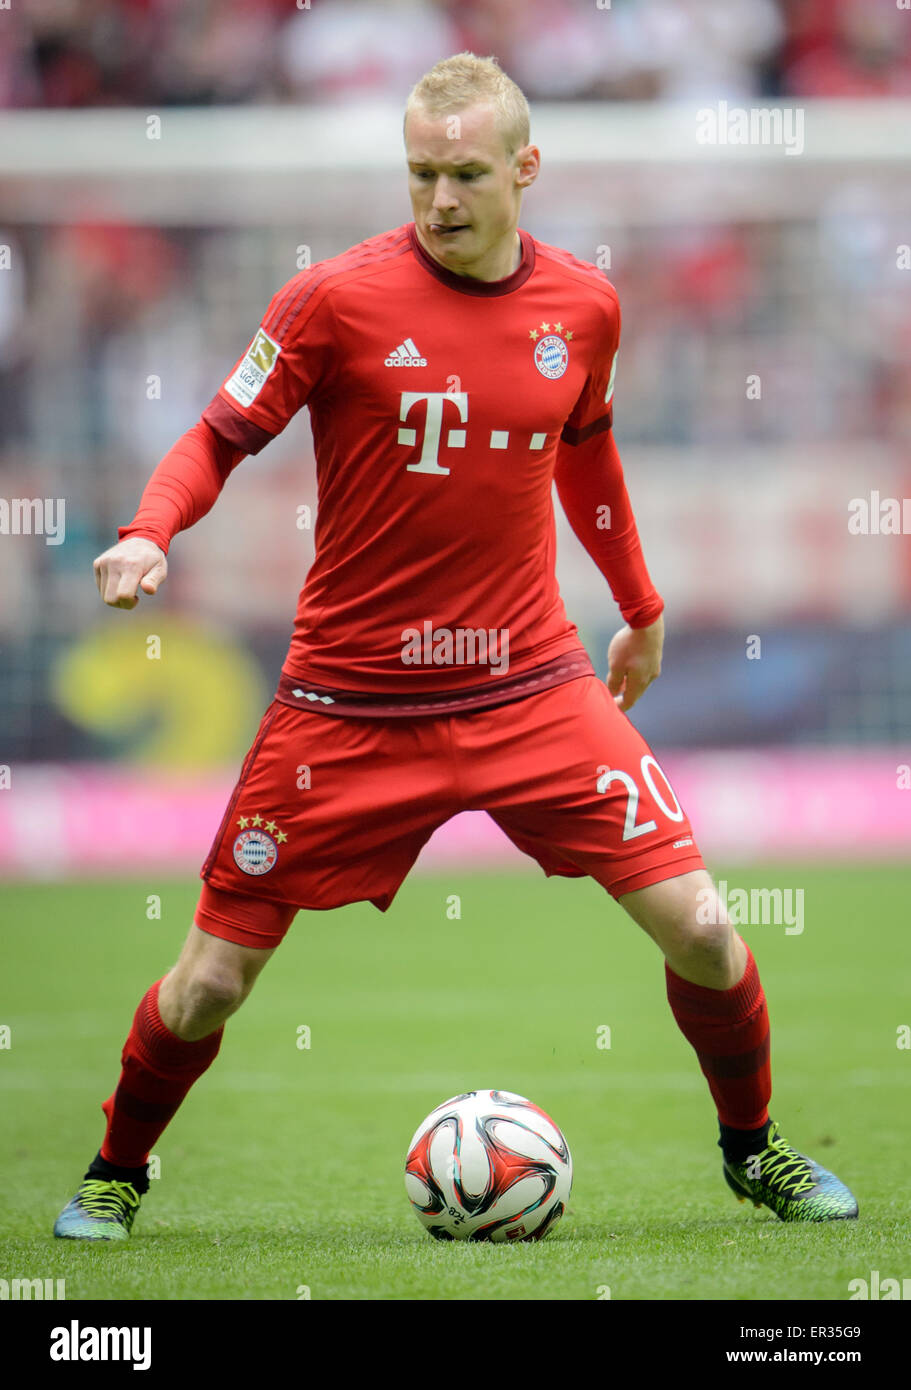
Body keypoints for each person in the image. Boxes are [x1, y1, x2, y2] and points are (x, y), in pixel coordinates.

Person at [56, 53, 857, 1242]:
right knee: (210, 980)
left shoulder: (583, 304)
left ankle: (754, 1150)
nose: (438, 200)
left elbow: (585, 456)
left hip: (529, 685)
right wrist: (145, 531)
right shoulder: (329, 301)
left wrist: (636, 608)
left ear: (523, 169)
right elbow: (218, 435)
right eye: (421, 173)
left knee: (700, 927)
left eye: (465, 174)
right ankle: (119, 1169)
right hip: (347, 704)